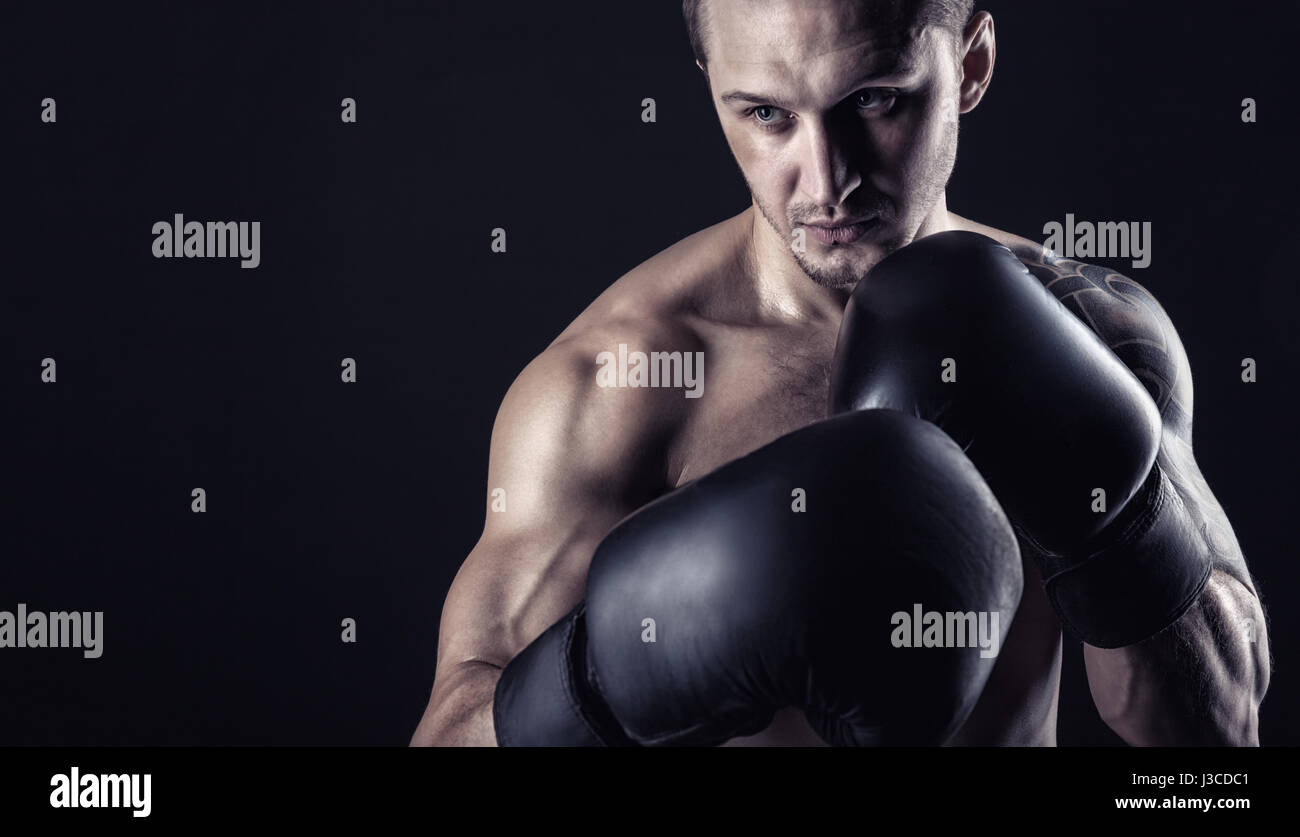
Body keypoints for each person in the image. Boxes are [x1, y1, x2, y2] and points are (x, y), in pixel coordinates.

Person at [410, 0, 1270, 746]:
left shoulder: (1086, 326)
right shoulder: (616, 391)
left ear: (970, 64)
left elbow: (1218, 742)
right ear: (711, 81)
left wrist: (1118, 527)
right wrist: (606, 680)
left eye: (875, 99)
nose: (827, 182)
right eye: (766, 115)